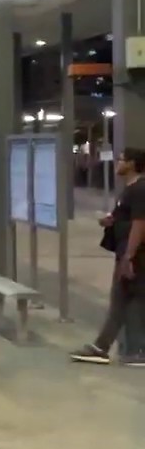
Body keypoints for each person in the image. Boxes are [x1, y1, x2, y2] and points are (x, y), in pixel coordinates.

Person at [71, 148, 145, 365]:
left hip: (135, 256)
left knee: (121, 300)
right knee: (128, 302)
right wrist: (111, 220)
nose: (117, 163)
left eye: (121, 160)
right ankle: (132, 351)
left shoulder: (139, 190)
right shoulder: (129, 190)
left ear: (132, 164)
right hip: (129, 253)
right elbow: (129, 218)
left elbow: (140, 225)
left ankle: (103, 348)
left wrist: (129, 257)